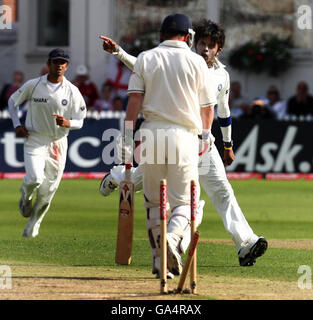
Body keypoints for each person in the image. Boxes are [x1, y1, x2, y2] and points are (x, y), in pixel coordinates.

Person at [99, 19, 267, 273]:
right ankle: (116, 177)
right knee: (144, 185)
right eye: (201, 43)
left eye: (211, 46)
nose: (205, 49)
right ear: (193, 41)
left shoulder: (222, 75)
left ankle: (245, 243)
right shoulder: (182, 60)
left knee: (221, 191)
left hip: (203, 144)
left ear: (219, 49)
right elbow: (142, 66)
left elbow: (223, 111)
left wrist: (228, 144)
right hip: (181, 138)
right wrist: (119, 53)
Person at [105, 13, 216, 277]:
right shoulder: (197, 62)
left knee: (154, 203)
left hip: (151, 134)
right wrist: (205, 136)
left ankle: (160, 262)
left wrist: (126, 137)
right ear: (188, 37)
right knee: (185, 204)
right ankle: (174, 238)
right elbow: (208, 107)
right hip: (184, 137)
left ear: (162, 34)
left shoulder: (146, 58)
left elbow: (133, 102)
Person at [8, 48, 87, 238]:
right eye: (56, 62)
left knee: (48, 190)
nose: (59, 66)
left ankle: (32, 227)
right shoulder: (34, 85)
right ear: (48, 64)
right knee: (35, 178)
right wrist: (17, 124)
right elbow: (12, 101)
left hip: (58, 142)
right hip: (35, 138)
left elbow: (80, 120)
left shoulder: (72, 91)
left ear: (66, 66)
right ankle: (25, 197)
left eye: (63, 63)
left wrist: (68, 123)